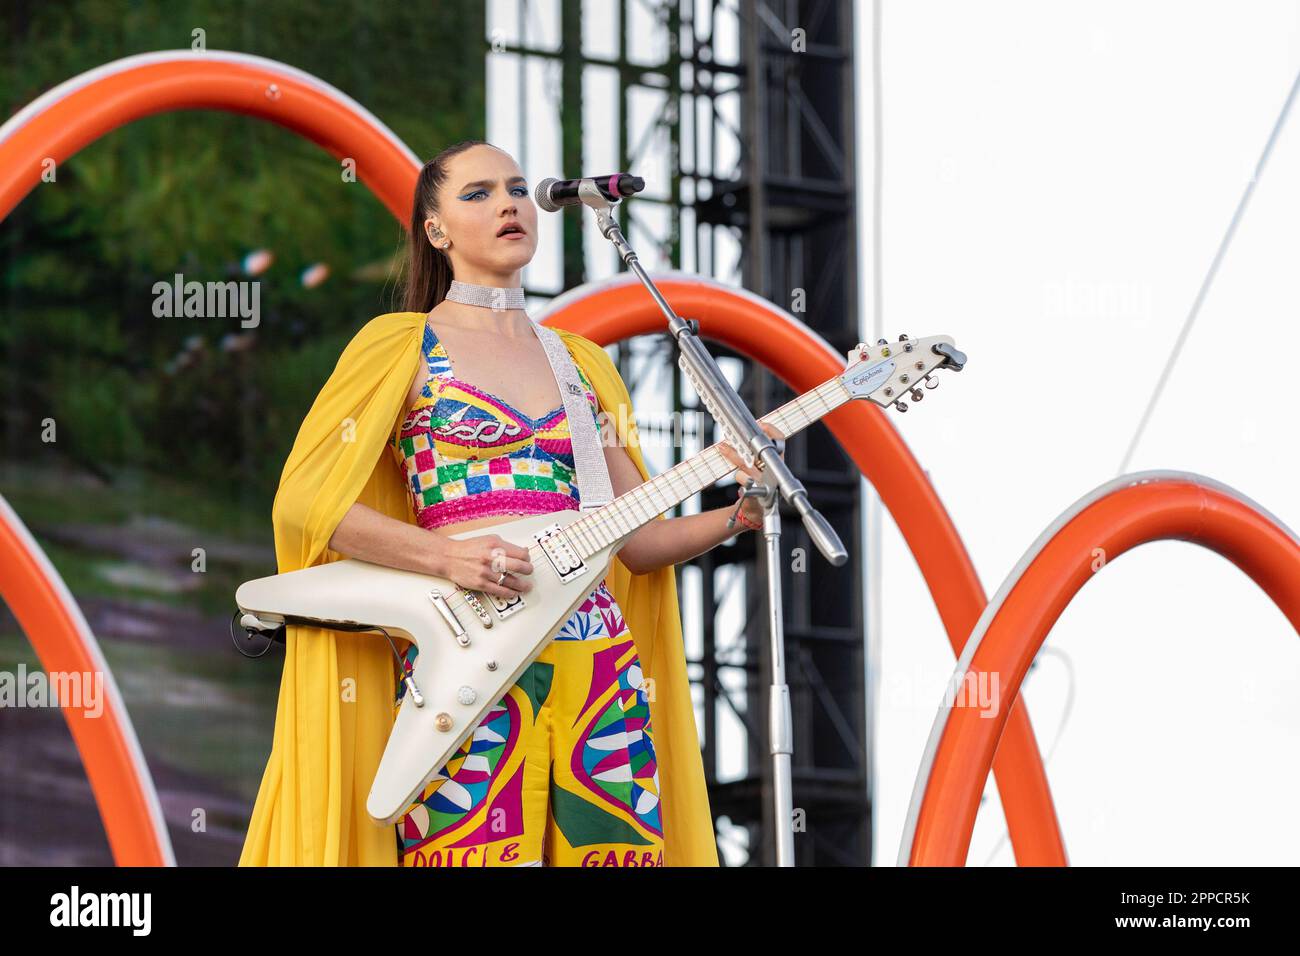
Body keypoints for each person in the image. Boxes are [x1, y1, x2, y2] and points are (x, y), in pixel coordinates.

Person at [239, 139, 782, 867]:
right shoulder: (401, 346)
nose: (508, 204)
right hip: (467, 655)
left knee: (614, 854)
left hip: (598, 655)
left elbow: (636, 542)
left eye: (519, 189)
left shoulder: (580, 362)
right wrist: (449, 557)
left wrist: (737, 515)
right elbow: (311, 502)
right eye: (478, 193)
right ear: (435, 230)